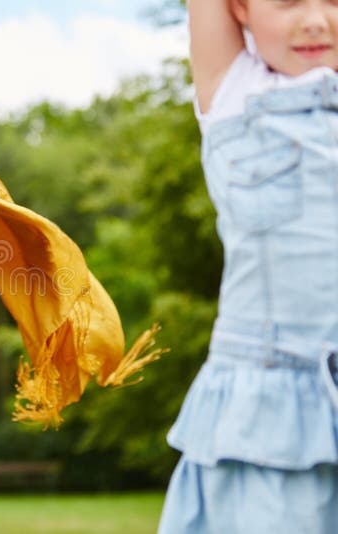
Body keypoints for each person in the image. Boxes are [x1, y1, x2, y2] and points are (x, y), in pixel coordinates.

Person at [158, 1, 338, 532]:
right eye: (288, 1)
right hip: (270, 410)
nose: (315, 19)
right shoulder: (236, 90)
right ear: (239, 8)